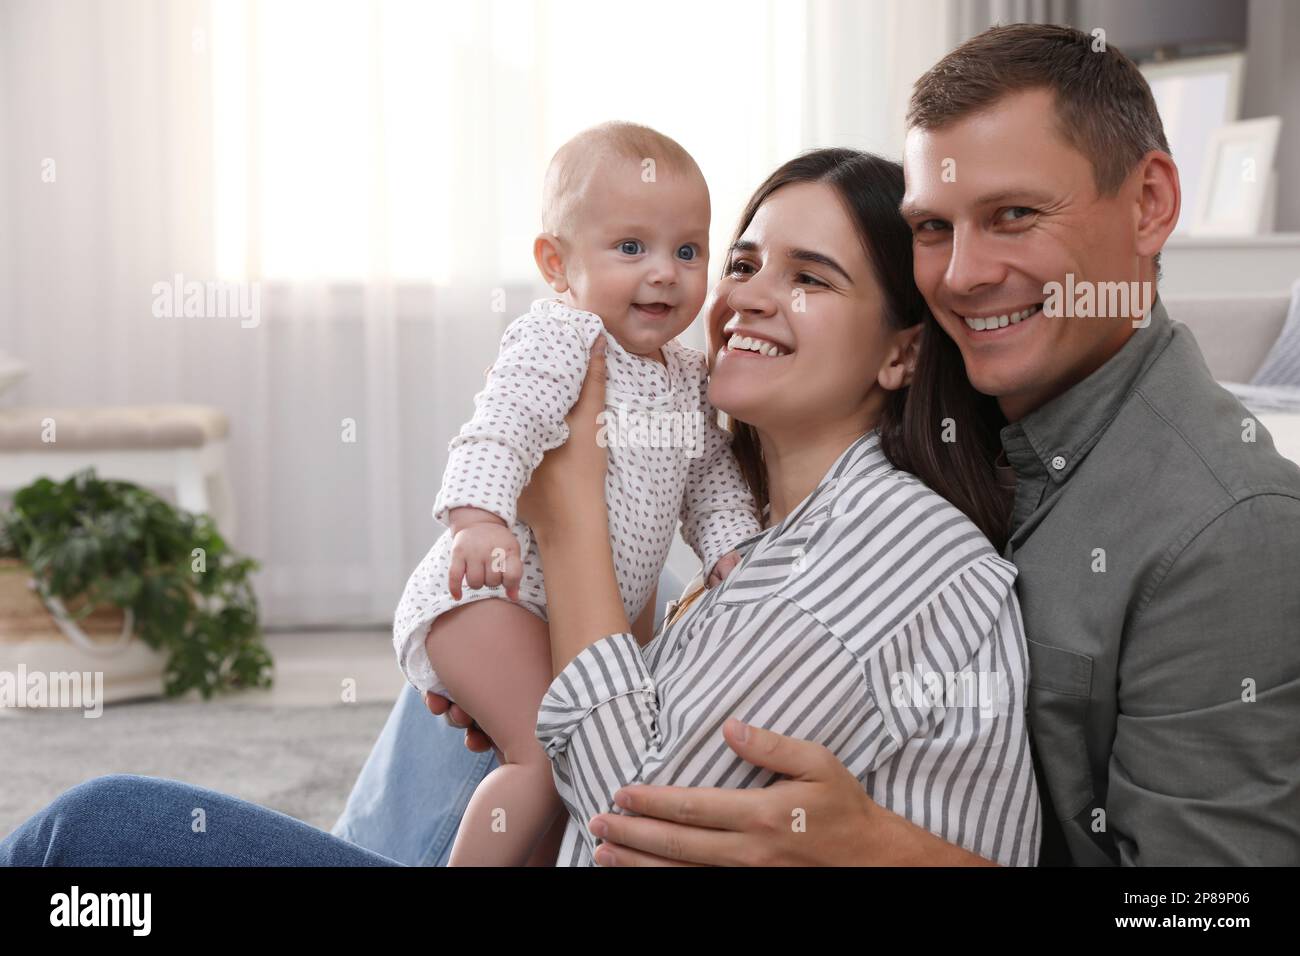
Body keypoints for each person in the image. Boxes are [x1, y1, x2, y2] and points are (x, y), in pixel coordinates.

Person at [405, 23, 1300, 866]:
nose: (962, 274)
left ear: (1149, 203)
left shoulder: (1227, 528)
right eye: (934, 228)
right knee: (453, 689)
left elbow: (1214, 915)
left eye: (1016, 214)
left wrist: (902, 854)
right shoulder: (993, 429)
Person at [0, 149, 1041, 866]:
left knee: (90, 832)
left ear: (903, 349)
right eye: (740, 260)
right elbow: (507, 444)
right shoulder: (779, 525)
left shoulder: (872, 554)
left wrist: (566, 512)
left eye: (807, 276)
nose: (738, 296)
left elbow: (621, 805)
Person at [392, 120, 759, 865]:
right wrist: (478, 521)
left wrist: (733, 554)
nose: (665, 272)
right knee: (541, 763)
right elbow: (498, 428)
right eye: (632, 248)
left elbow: (713, 482)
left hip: (580, 612)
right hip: (489, 597)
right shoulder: (561, 340)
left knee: (568, 786)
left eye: (688, 251)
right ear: (557, 265)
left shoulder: (689, 378)